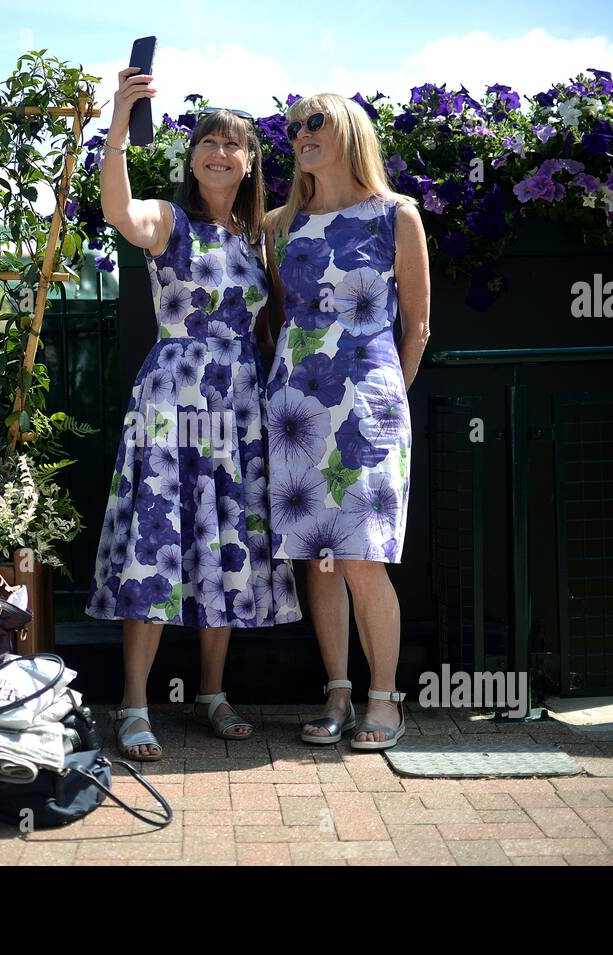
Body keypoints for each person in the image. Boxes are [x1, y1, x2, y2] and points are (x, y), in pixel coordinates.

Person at [84, 67, 301, 761]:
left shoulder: (260, 234)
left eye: (234, 145)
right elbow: (118, 211)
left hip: (239, 406)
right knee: (156, 543)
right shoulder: (169, 221)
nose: (220, 152)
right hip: (172, 402)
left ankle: (210, 692)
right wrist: (119, 120)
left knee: (223, 544)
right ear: (193, 156)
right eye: (208, 141)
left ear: (249, 163)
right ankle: (134, 705)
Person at [263, 93, 431, 750]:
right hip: (297, 408)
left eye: (314, 122)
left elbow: (416, 326)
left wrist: (385, 399)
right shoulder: (282, 224)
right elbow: (283, 316)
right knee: (321, 561)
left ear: (350, 133)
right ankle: (337, 692)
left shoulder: (397, 215)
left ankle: (383, 697)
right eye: (293, 126)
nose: (299, 134)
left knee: (364, 559)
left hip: (369, 406)